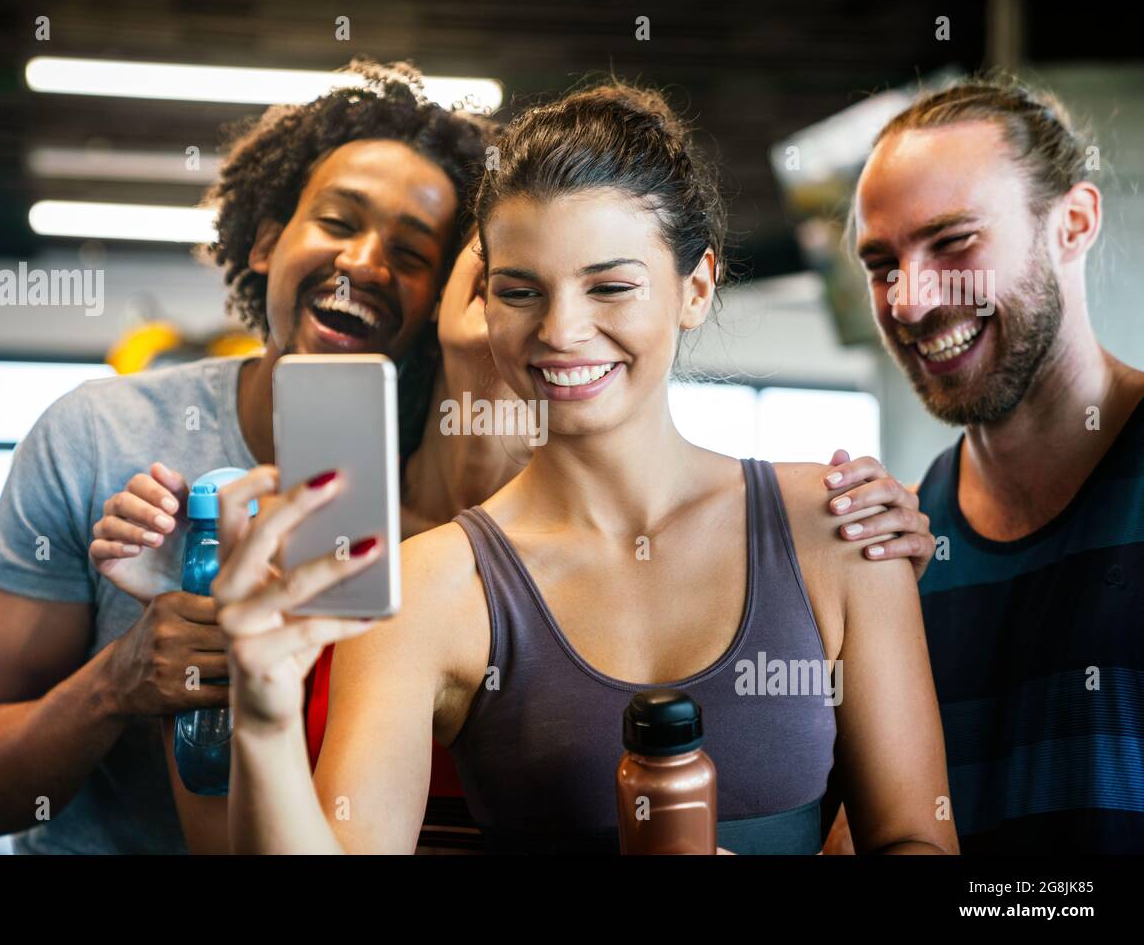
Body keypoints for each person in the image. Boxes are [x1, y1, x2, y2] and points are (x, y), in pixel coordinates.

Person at [202, 82, 959, 855]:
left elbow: (918, 841)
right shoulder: (426, 589)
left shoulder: (839, 527)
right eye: (520, 291)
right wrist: (261, 715)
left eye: (611, 286)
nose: (562, 330)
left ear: (695, 288)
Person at [0, 62, 492, 853]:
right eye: (338, 221)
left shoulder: (445, 490)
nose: (365, 263)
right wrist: (120, 679)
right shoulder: (97, 435)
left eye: (410, 252)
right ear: (265, 241)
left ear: (440, 299)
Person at [845, 76, 1144, 853]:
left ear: (1072, 224)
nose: (909, 301)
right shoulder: (901, 552)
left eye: (953, 243)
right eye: (882, 263)